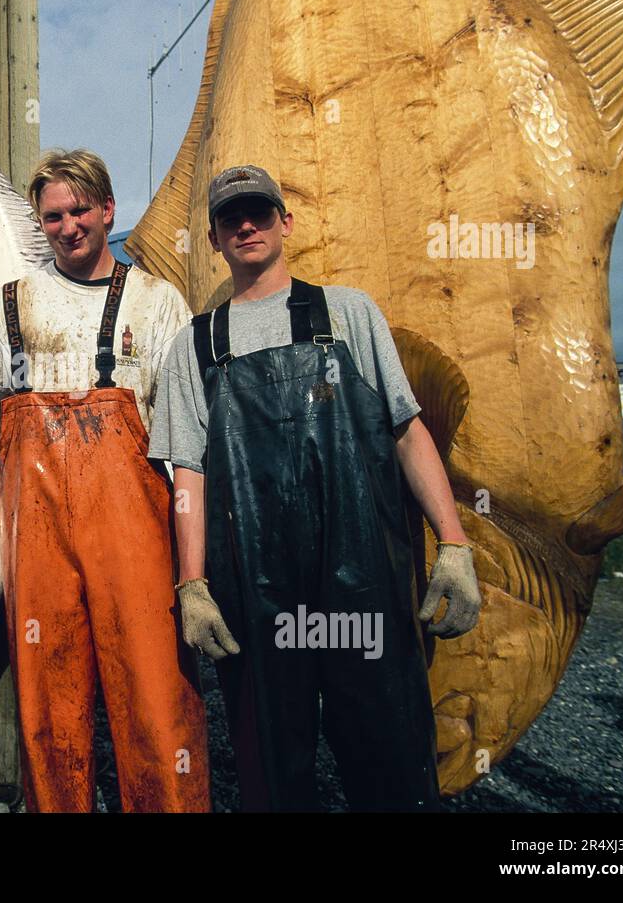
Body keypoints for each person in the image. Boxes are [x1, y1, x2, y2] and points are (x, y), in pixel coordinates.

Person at [0, 149, 210, 812]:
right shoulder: (13, 304)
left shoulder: (156, 303)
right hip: (38, 538)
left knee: (155, 694)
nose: (68, 226)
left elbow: (187, 441)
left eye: (80, 210)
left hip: (135, 537)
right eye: (54, 215)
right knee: (47, 704)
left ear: (107, 209)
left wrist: (197, 568)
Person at [151, 165, 481, 811]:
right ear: (215, 238)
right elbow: (188, 470)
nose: (246, 224)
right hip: (255, 585)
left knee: (390, 748)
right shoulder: (195, 343)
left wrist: (454, 541)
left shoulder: (347, 311)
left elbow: (407, 430)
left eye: (259, 212)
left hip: (361, 576)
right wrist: (192, 583)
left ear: (285, 223)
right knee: (273, 764)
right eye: (230, 218)